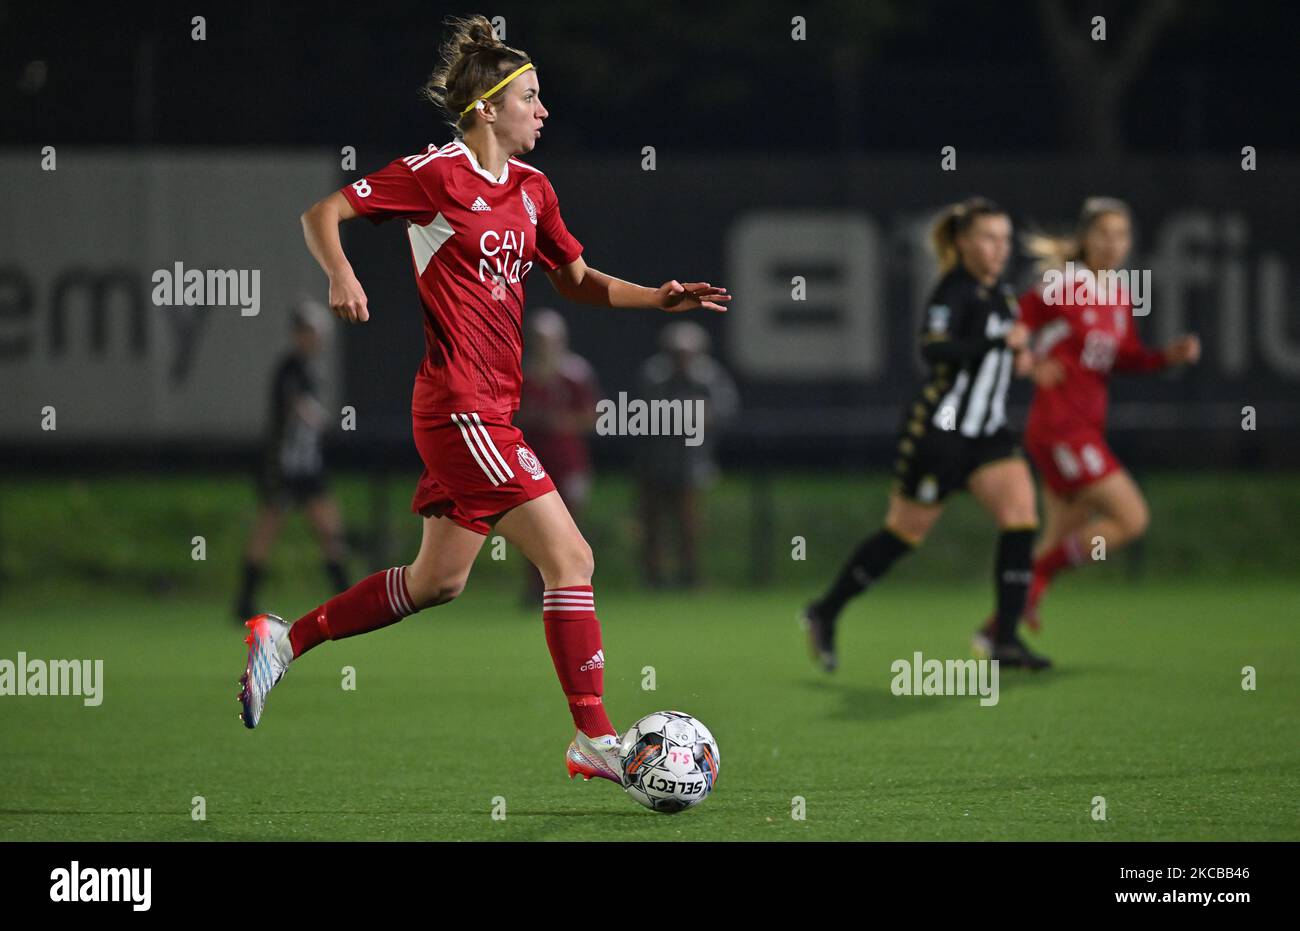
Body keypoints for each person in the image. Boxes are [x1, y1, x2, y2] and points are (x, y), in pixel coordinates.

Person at [235, 15, 729, 787]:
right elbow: (321, 213)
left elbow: (579, 280)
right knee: (573, 557)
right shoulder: (435, 175)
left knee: (437, 582)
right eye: (531, 97)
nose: (543, 110)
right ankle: (593, 735)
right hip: (456, 406)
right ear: (489, 107)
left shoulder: (534, 191)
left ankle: (283, 640)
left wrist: (656, 298)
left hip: (490, 412)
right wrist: (341, 272)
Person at [800, 197, 1050, 671]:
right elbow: (935, 349)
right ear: (963, 242)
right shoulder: (953, 290)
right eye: (988, 238)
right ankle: (826, 609)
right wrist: (999, 343)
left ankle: (1006, 639)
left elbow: (998, 354)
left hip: (989, 433)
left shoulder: (1001, 295)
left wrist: (1021, 359)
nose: (999, 248)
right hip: (943, 430)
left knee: (1021, 518)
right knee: (903, 534)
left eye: (1005, 239)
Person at [1010, 197, 1200, 628]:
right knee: (1131, 518)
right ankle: (1038, 576)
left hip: (1080, 428)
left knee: (1060, 534)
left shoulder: (1118, 294)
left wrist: (1165, 357)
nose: (1113, 244)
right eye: (1103, 234)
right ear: (1085, 238)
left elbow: (1122, 358)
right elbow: (1012, 321)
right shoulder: (1064, 283)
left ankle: (999, 629)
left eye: (1121, 235)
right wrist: (1029, 362)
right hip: (1062, 428)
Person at [234, 299, 349, 621]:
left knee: (329, 527)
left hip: (309, 465)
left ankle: (347, 598)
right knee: (268, 528)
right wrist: (325, 422)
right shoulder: (290, 367)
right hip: (284, 465)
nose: (314, 338)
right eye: (308, 331)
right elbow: (296, 407)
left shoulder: (312, 367)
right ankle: (244, 599)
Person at [635, 321, 738, 588]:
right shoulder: (654, 375)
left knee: (689, 524)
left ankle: (690, 575)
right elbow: (641, 415)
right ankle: (653, 577)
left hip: (692, 464)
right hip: (655, 462)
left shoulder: (710, 377)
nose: (681, 359)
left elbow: (722, 413)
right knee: (653, 524)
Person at [515, 308, 599, 602]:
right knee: (533, 525)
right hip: (533, 461)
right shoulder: (522, 374)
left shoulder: (575, 374)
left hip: (568, 461)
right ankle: (535, 587)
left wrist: (561, 422)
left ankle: (568, 586)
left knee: (568, 525)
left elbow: (590, 416)